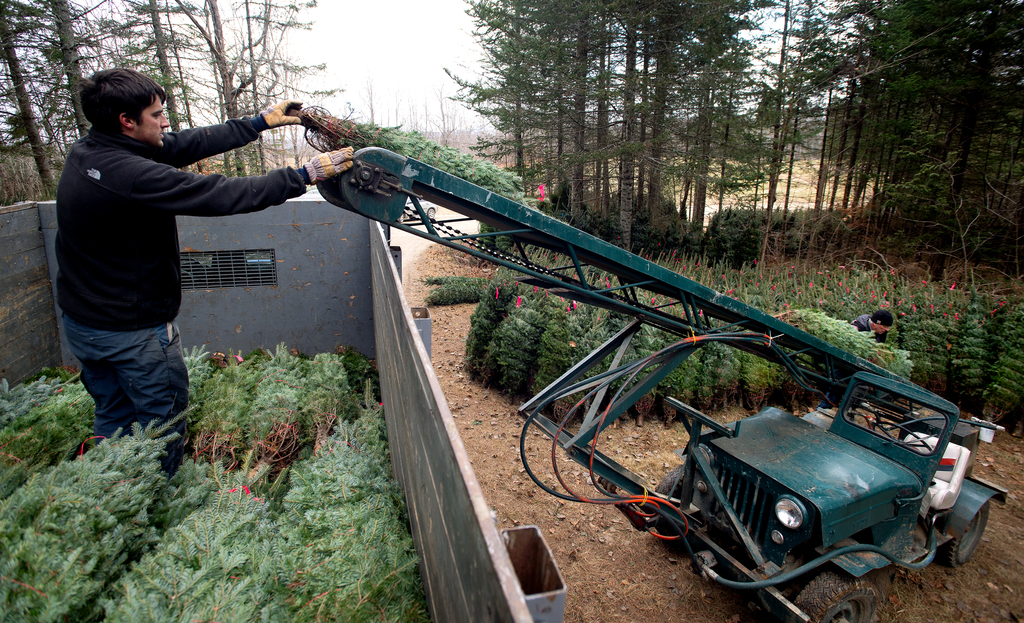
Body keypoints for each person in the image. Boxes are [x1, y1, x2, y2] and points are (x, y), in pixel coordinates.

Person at [55, 67, 354, 477]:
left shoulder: (91, 150)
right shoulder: (130, 174)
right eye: (157, 115)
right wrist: (303, 176)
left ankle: (109, 485)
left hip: (84, 323)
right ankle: (157, 492)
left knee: (114, 412)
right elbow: (216, 193)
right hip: (131, 331)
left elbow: (182, 144)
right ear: (127, 121)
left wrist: (257, 123)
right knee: (162, 420)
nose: (166, 123)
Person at [816, 309, 896, 411]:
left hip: (861, 367)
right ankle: (822, 409)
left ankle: (846, 413)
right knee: (837, 386)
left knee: (856, 395)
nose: (887, 329)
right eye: (885, 326)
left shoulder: (881, 332)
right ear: (876, 323)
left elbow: (879, 347)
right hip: (845, 364)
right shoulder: (857, 328)